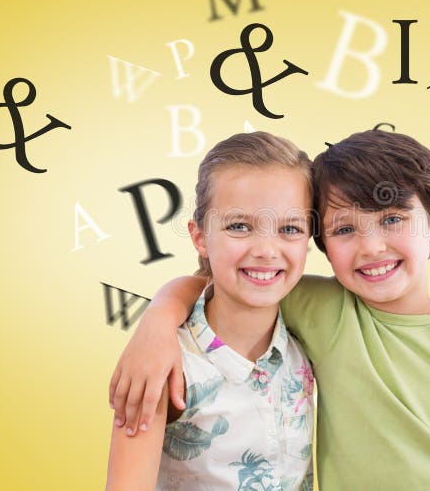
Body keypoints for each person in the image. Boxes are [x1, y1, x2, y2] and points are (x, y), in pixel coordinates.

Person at [111, 130, 430, 489]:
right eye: (345, 229)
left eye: (392, 219)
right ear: (323, 244)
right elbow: (222, 280)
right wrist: (158, 319)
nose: (371, 247)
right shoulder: (320, 308)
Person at [106, 132, 317, 490]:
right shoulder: (165, 366)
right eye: (239, 226)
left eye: (290, 229)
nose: (266, 250)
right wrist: (159, 321)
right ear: (200, 236)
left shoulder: (312, 334)